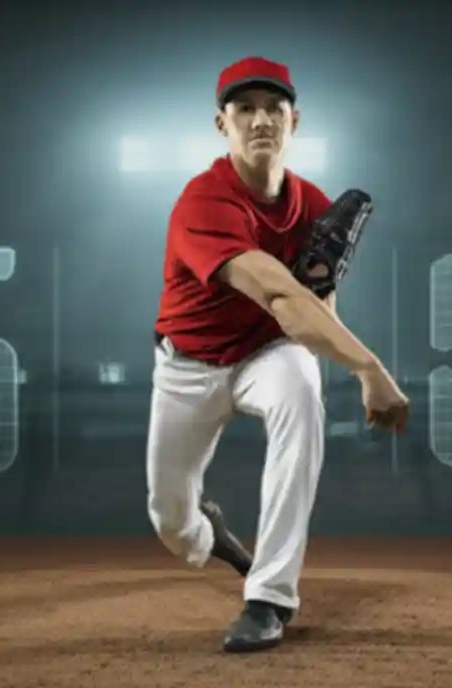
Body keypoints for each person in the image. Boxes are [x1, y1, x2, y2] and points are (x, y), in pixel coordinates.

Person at [146, 56, 409, 653]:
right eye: (245, 108)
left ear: (295, 119)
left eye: (274, 107)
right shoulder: (202, 203)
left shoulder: (312, 204)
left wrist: (331, 316)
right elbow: (279, 295)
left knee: (300, 389)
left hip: (268, 353)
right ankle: (209, 534)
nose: (261, 118)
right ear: (222, 124)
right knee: (169, 519)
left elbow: (314, 315)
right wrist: (369, 368)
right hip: (188, 366)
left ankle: (268, 596)